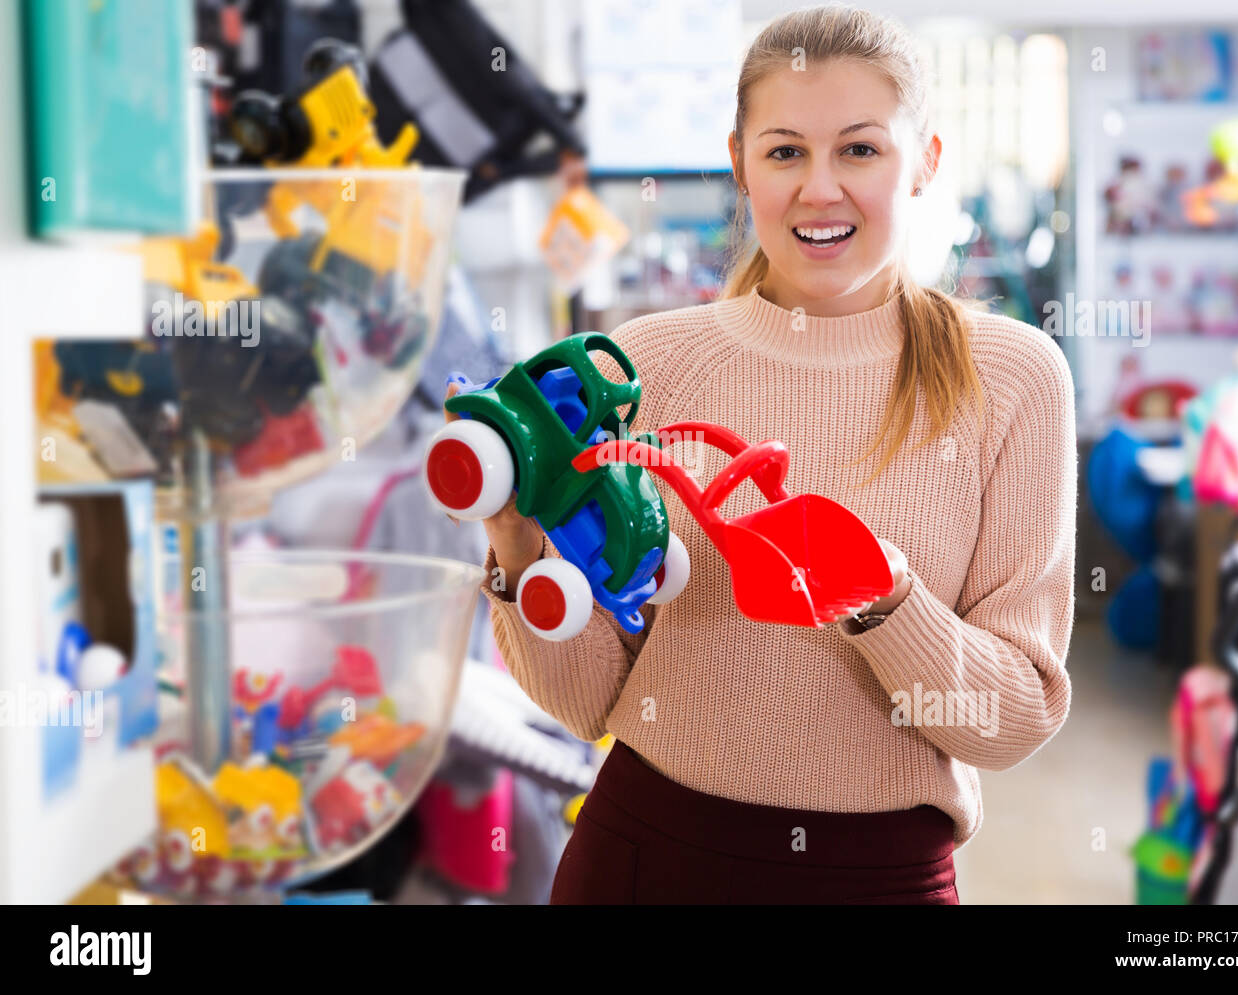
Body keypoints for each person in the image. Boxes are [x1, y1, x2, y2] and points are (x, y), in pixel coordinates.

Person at [451, 3, 1077, 904]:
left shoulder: (1014, 379)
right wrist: (514, 544)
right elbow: (589, 701)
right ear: (742, 164)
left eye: (860, 150)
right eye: (786, 151)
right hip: (644, 857)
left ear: (926, 162)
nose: (819, 189)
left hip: (881, 879)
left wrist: (884, 597)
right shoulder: (647, 362)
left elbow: (1011, 719)